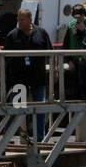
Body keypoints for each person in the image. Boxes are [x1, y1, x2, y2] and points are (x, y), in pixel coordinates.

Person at [3, 8, 53, 141]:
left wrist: (55, 70)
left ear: (30, 19)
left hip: (38, 77)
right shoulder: (12, 35)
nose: (19, 22)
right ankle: (18, 139)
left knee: (40, 109)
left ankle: (40, 140)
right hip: (18, 79)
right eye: (18, 19)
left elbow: (50, 53)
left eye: (22, 19)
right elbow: (5, 58)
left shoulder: (42, 33)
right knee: (17, 110)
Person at [61, 5, 86, 99]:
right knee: (77, 92)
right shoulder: (71, 25)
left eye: (79, 16)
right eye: (75, 17)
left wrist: (84, 31)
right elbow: (66, 44)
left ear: (84, 14)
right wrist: (68, 60)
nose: (77, 19)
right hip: (76, 64)